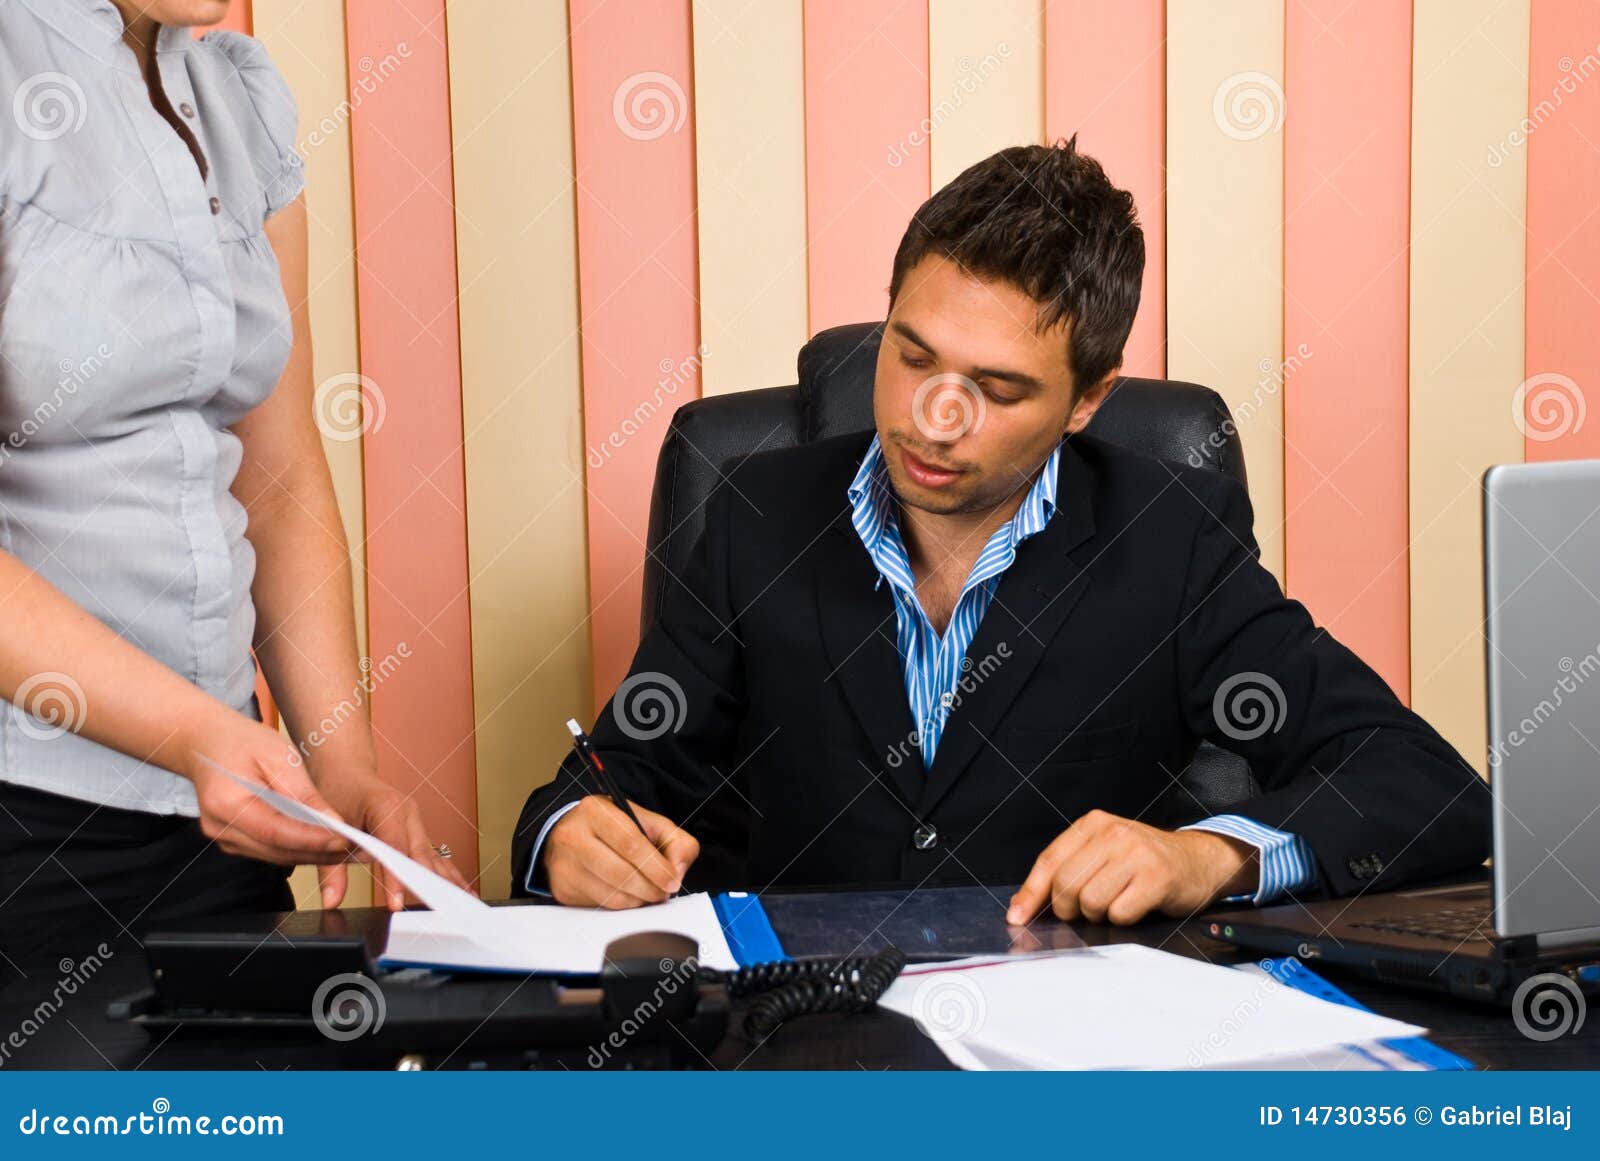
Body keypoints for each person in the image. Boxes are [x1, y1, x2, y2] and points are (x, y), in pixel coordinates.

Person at [511, 137, 1490, 926]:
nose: (933, 417)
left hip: (1065, 1061)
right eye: (914, 355)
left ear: (1086, 399)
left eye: (998, 388)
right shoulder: (753, 514)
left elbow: (1421, 785)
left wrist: (1207, 856)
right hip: (801, 1048)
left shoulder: (1168, 538)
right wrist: (567, 834)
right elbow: (612, 775)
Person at [0, 0, 467, 978]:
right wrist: (195, 736)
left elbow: (280, 471)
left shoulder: (235, 96)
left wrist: (341, 767)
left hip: (219, 816)